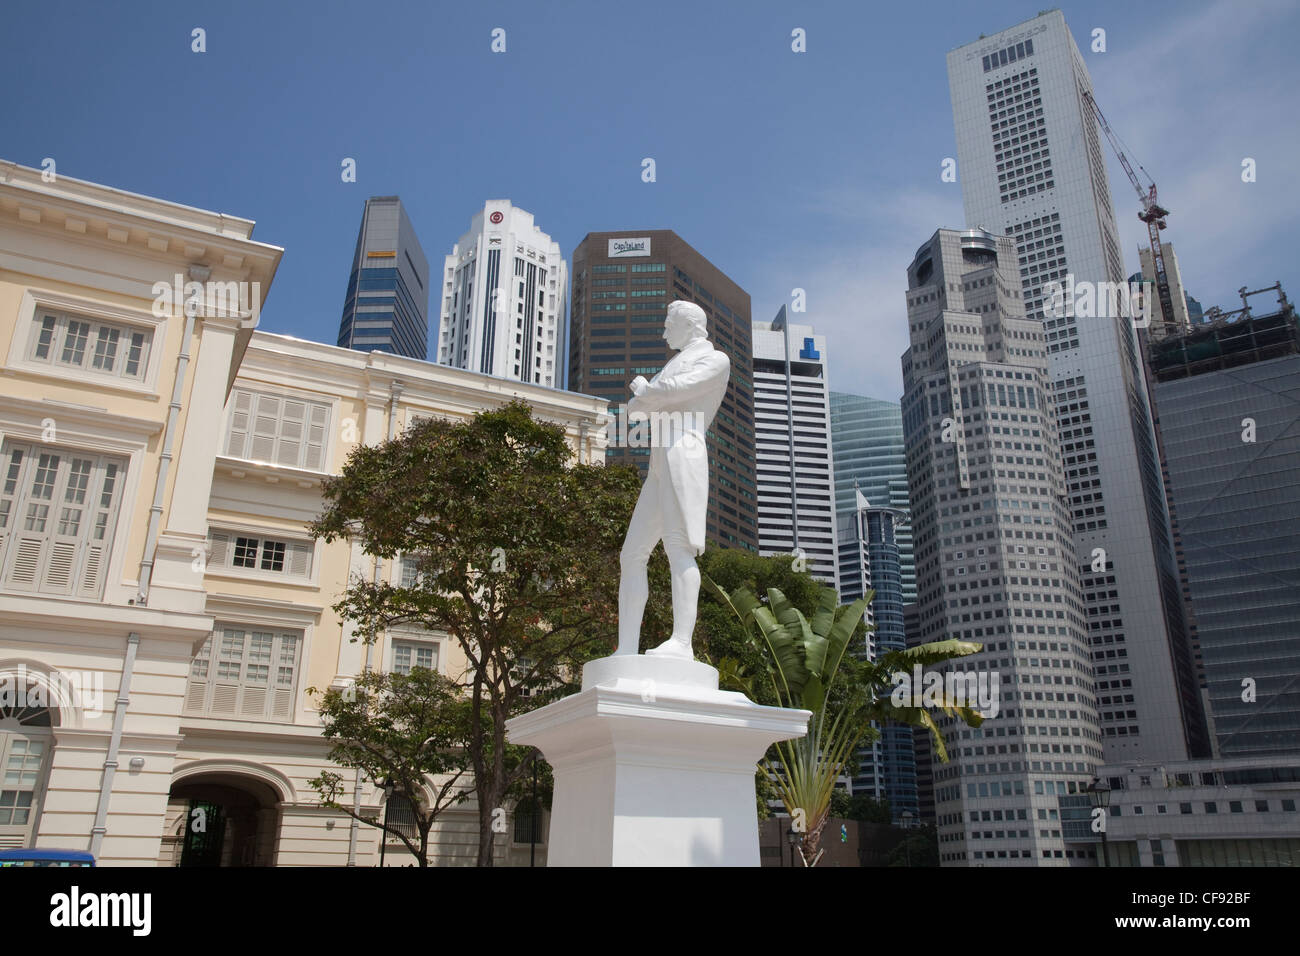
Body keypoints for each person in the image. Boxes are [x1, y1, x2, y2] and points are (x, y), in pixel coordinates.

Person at [616, 300, 730, 659]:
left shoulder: (715, 359)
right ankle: (627, 650)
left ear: (691, 326)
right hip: (659, 462)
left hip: (684, 450)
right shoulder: (671, 364)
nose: (664, 331)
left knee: (678, 548)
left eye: (669, 324)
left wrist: (650, 393)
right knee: (632, 554)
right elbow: (635, 410)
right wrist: (649, 395)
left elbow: (678, 390)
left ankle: (682, 643)